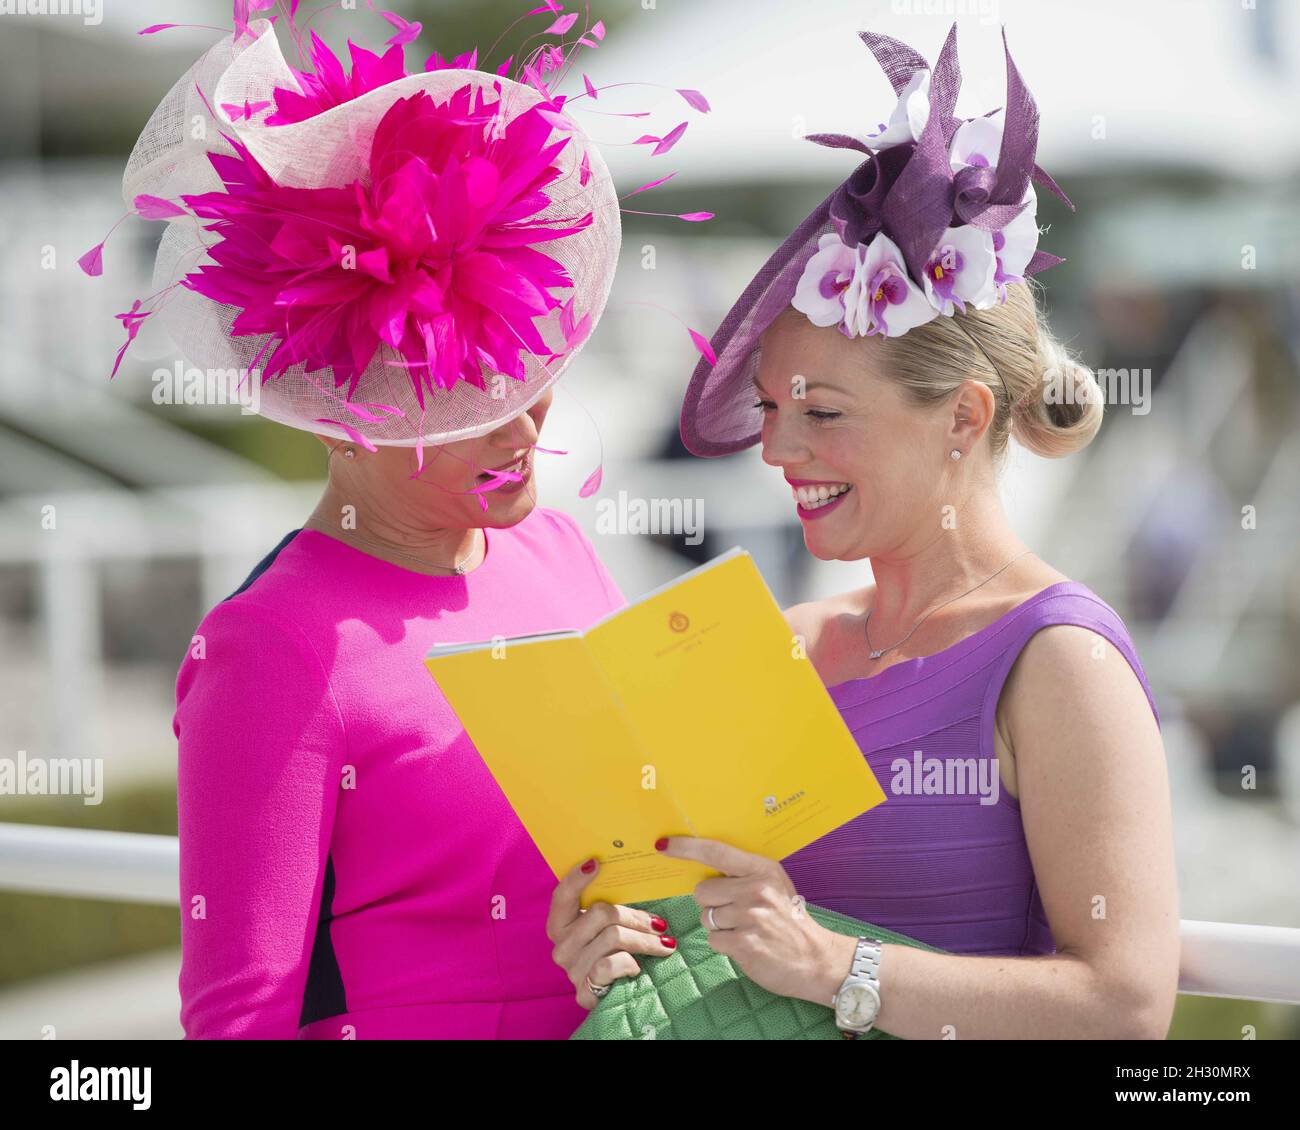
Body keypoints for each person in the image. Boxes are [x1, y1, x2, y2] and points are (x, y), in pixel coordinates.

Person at [551, 23, 1180, 1039]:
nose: (776, 450)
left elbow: (1125, 1003)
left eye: (824, 413)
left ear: (964, 419)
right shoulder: (780, 642)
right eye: (769, 410)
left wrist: (833, 965)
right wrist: (624, 943)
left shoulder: (1057, 658)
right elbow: (717, 935)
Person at [91, 5, 693, 1037]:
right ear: (339, 417)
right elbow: (241, 1016)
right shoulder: (274, 645)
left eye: (522, 370)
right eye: (466, 404)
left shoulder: (556, 548)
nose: (525, 422)